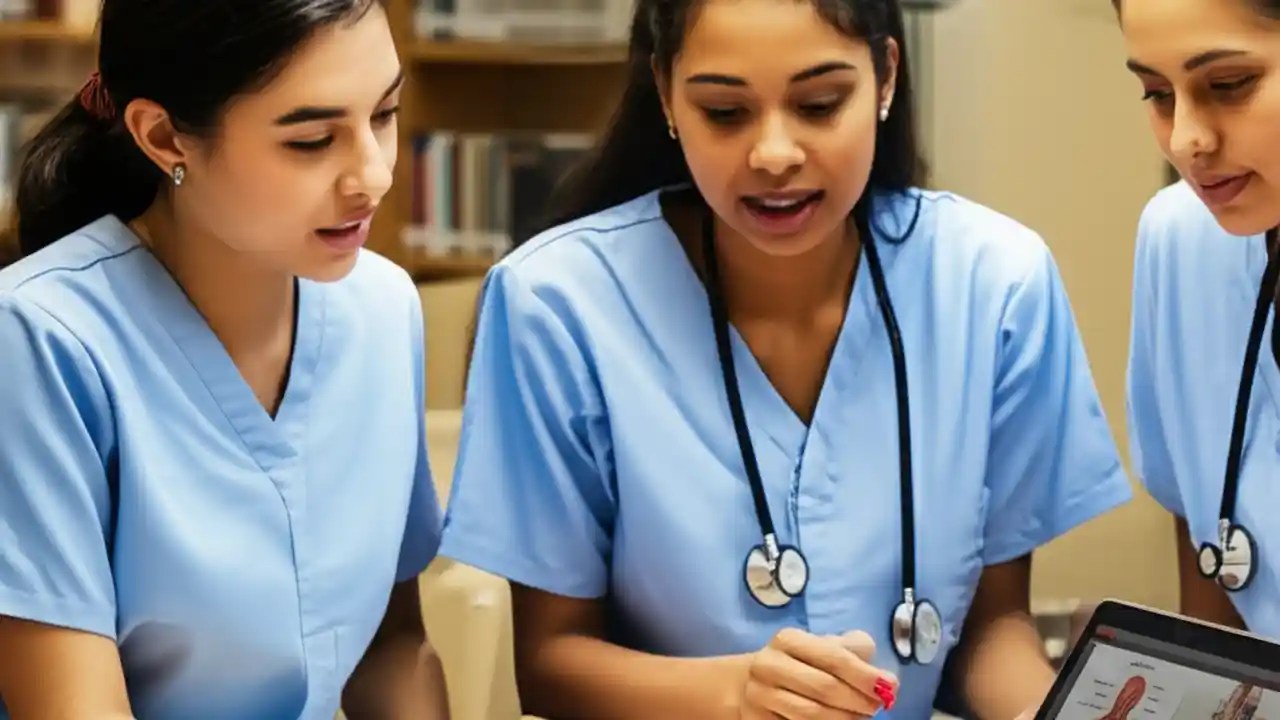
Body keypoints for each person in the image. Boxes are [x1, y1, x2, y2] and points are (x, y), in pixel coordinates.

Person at [437, 0, 1132, 718]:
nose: (774, 154)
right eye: (725, 112)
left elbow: (992, 630)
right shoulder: (555, 303)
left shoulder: (995, 284)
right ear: (667, 95)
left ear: (886, 76)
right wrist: (735, 695)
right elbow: (550, 663)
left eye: (819, 103)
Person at [0, 1, 450, 718]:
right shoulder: (39, 339)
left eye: (386, 115)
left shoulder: (384, 310)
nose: (373, 175)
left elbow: (392, 649)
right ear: (164, 136)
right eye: (311, 140)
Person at [1120, 0, 1280, 635]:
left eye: (1228, 85)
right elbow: (1212, 537)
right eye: (1157, 94)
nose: (1186, 139)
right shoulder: (1184, 241)